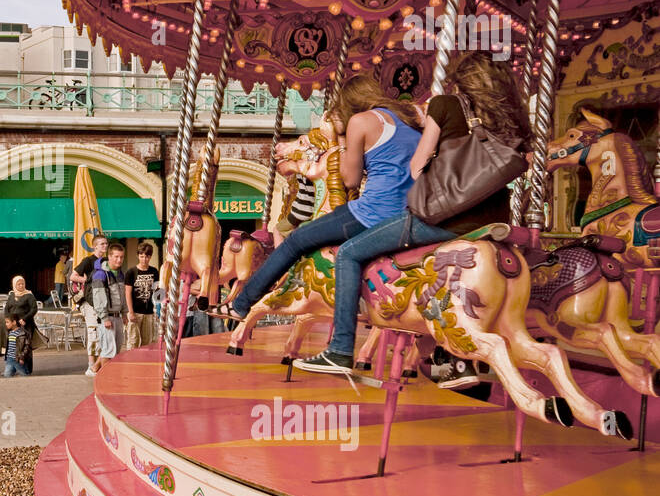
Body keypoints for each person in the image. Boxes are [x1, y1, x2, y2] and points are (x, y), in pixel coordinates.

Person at [294, 52, 532, 382]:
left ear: (462, 81)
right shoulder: (514, 121)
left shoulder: (445, 105)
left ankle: (340, 349)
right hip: (490, 224)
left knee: (349, 252)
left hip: (446, 220)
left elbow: (417, 166)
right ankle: (446, 356)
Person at [226, 74, 423, 329]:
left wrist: (342, 140)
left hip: (373, 212)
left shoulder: (362, 121)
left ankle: (242, 303)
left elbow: (350, 180)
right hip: (408, 215)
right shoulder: (409, 121)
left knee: (295, 239)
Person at [89, 243, 128, 376]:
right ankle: (106, 378)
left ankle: (99, 370)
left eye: (121, 257)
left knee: (115, 349)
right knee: (108, 351)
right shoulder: (100, 275)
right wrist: (104, 317)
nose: (119, 260)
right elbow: (99, 299)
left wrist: (124, 313)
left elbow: (122, 295)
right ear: (109, 257)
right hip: (107, 317)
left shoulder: (120, 273)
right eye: (116, 257)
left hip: (117, 316)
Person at [72, 235, 108, 376]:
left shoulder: (106, 261)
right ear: (95, 246)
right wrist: (85, 280)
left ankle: (99, 364)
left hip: (103, 301)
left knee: (102, 333)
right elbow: (73, 276)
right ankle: (91, 365)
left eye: (106, 243)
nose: (105, 246)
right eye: (102, 244)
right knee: (93, 333)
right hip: (90, 301)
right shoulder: (88, 261)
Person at [3, 275, 43, 374]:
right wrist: (9, 320)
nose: (21, 286)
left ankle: (27, 369)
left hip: (26, 325)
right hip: (13, 326)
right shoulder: (12, 295)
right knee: (12, 345)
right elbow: (7, 308)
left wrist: (24, 318)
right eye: (18, 284)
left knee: (25, 346)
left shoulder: (29, 295)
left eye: (22, 284)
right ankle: (11, 368)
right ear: (14, 285)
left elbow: (34, 309)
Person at [124, 243, 158, 350]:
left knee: (147, 342)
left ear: (150, 257)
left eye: (147, 256)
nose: (144, 259)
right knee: (133, 341)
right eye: (142, 256)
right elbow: (127, 293)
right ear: (138, 256)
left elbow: (158, 291)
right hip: (135, 312)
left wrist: (158, 310)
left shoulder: (154, 271)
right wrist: (131, 312)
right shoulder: (131, 272)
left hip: (149, 312)